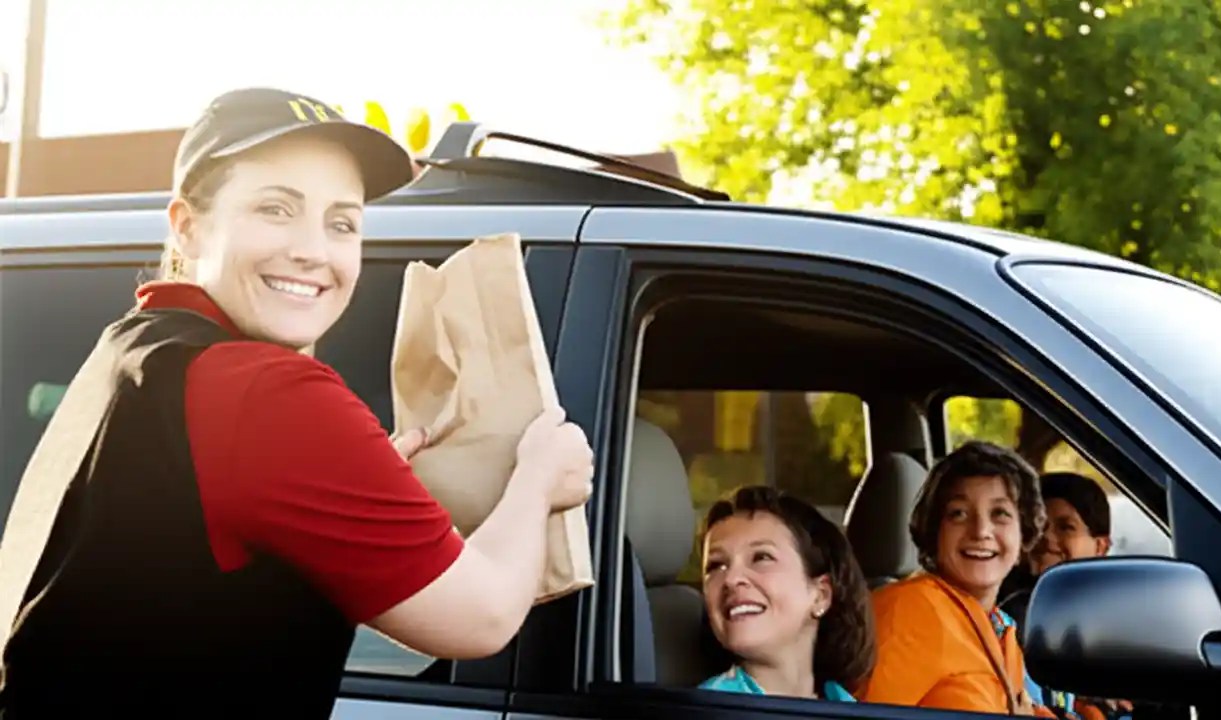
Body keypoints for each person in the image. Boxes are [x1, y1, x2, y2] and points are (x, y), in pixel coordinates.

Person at [0, 87, 593, 717]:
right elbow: (481, 618)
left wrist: (358, 482)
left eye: (341, 222)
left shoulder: (134, 349)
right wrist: (537, 482)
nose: (313, 250)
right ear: (189, 227)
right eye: (276, 209)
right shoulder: (270, 393)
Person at [855, 441, 1052, 716]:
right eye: (958, 514)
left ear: (1024, 536)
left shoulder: (999, 629)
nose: (981, 531)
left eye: (1000, 514)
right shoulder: (910, 609)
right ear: (935, 532)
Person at [698, 486, 875, 702]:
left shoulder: (845, 704)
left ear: (820, 595)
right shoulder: (706, 709)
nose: (731, 579)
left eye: (761, 557)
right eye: (716, 566)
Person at [999, 472, 1131, 720]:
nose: (1046, 537)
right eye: (1039, 525)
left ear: (1100, 546)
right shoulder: (1011, 615)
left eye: (1065, 527)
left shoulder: (1114, 619)